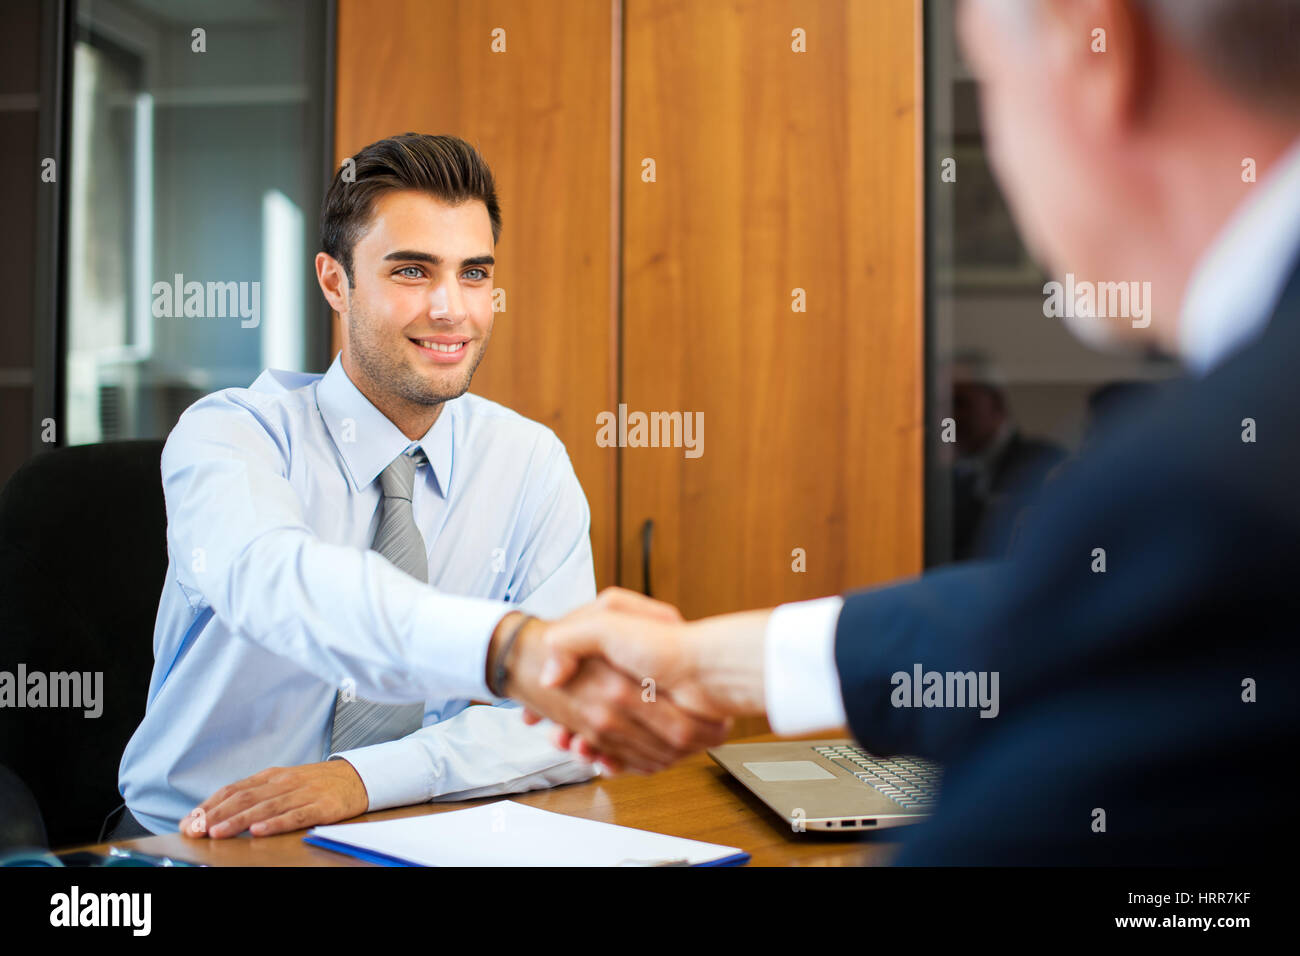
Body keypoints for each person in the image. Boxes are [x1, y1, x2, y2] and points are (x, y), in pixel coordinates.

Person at [517, 0, 1300, 864]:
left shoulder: (1196, 489)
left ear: (1096, 50)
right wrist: (709, 659)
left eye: (994, 87)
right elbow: (1078, 620)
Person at [113, 134, 726, 840]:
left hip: (411, 835)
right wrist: (504, 648)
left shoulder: (528, 462)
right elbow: (279, 583)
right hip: (197, 844)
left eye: (474, 274)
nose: (451, 310)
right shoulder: (231, 436)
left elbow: (558, 725)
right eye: (411, 271)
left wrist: (363, 779)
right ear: (334, 282)